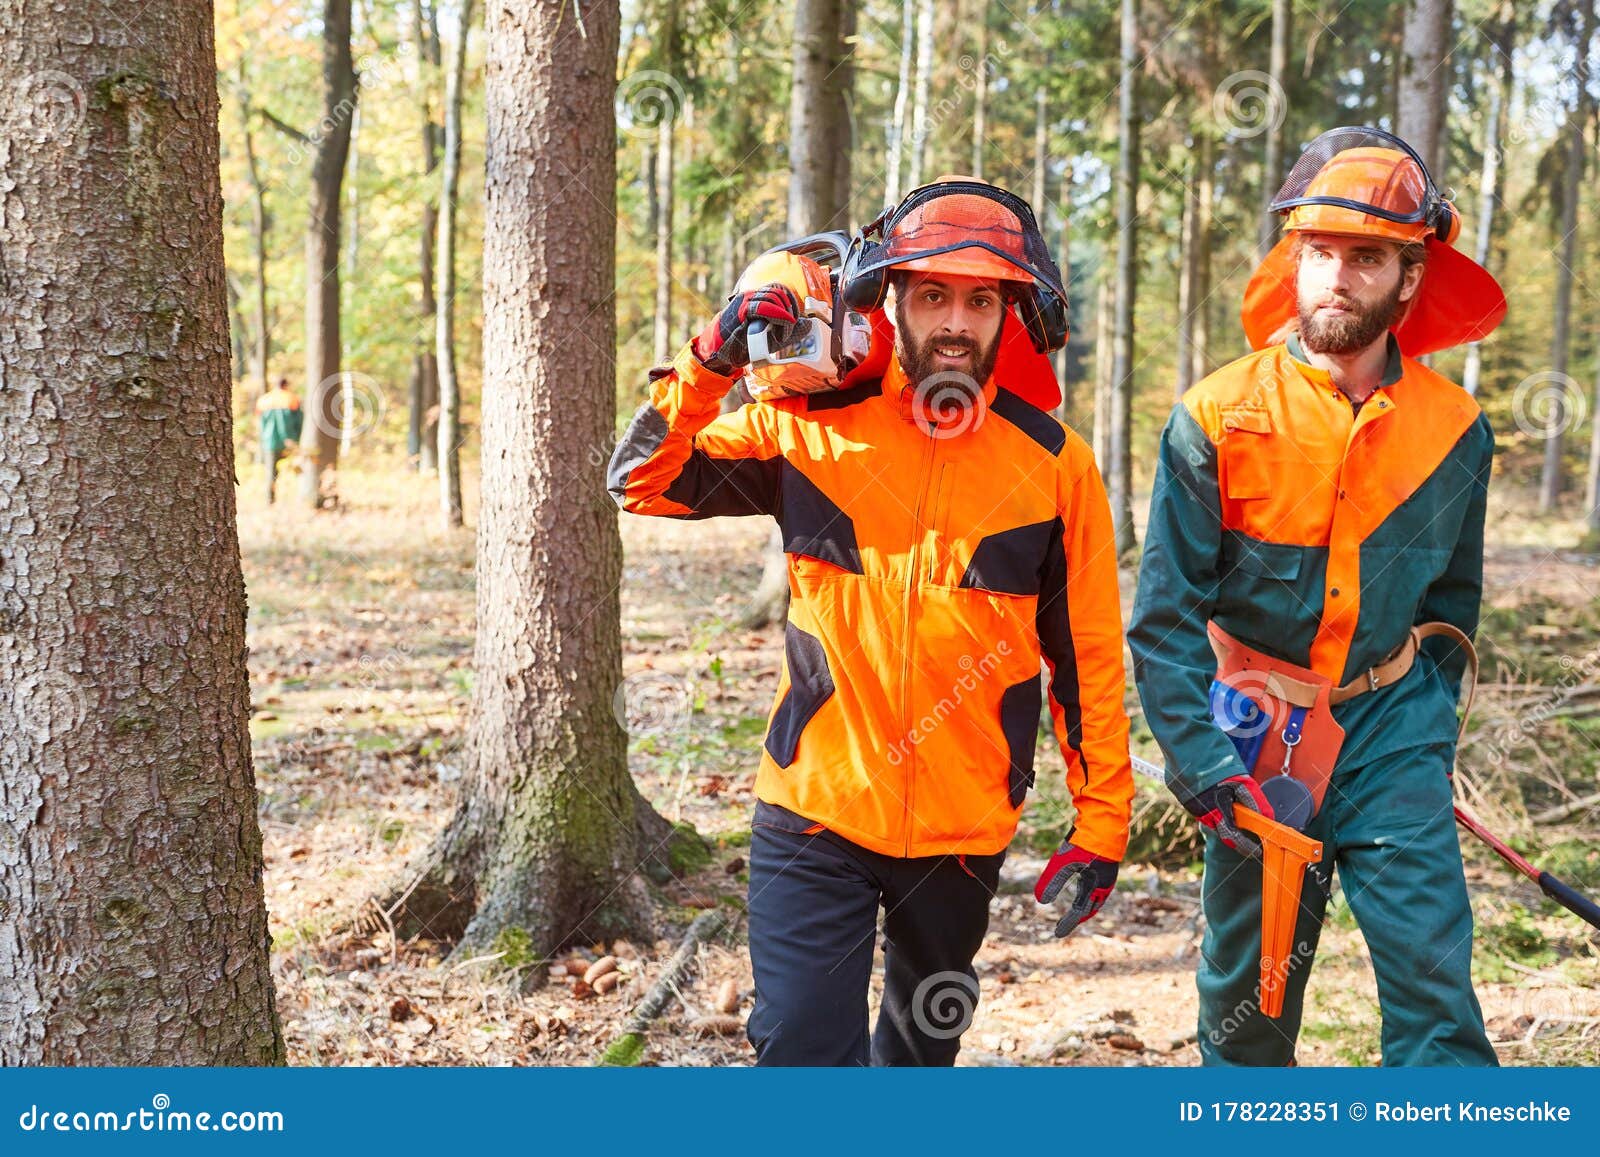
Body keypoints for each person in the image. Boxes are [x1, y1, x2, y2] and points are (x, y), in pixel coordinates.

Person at [608, 177, 1133, 1066]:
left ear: (1011, 313)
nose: (956, 321)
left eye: (979, 299)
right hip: (816, 811)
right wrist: (714, 358)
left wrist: (1102, 827)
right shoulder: (805, 430)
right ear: (890, 299)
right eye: (933, 295)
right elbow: (641, 480)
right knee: (801, 1048)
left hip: (963, 834)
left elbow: (1086, 656)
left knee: (917, 1063)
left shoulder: (1055, 466)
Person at [1128, 127, 1508, 1066]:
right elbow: (1163, 617)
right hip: (1256, 728)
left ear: (1410, 276)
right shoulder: (1216, 415)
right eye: (1320, 252)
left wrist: (1424, 733)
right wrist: (1207, 761)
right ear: (1293, 258)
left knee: (1431, 974)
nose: (1337, 276)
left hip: (1393, 728)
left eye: (1367, 256)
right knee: (1250, 997)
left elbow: (1453, 607)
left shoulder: (1456, 431)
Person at [256, 376, 303, 505]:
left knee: (271, 473)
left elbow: (260, 425)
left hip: (269, 443)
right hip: (289, 443)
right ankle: (294, 500)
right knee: (295, 471)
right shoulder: (292, 398)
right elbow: (299, 422)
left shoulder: (263, 400)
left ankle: (270, 500)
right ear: (286, 385)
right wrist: (296, 440)